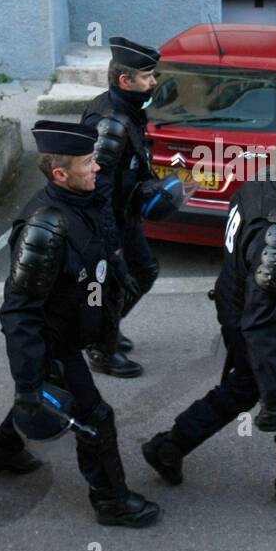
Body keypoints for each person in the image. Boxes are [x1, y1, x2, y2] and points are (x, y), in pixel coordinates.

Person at [142, 116, 276, 512]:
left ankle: (168, 446)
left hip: (237, 309)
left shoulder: (260, 184)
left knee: (240, 387)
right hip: (261, 325)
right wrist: (274, 397)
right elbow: (265, 322)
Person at [0, 120, 159, 528]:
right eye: (88, 162)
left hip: (72, 331)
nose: (98, 166)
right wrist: (29, 381)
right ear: (60, 174)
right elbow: (20, 311)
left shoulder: (84, 200)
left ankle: (2, 451)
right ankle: (112, 502)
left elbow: (100, 245)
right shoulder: (45, 230)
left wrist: (119, 273)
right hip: (53, 344)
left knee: (48, 397)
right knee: (94, 417)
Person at [79, 36, 163, 378]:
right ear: (125, 81)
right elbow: (96, 189)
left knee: (142, 272)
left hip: (123, 214)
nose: (154, 82)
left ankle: (103, 330)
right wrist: (111, 248)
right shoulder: (111, 122)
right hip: (107, 220)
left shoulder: (125, 110)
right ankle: (100, 346)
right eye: (147, 77)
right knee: (118, 280)